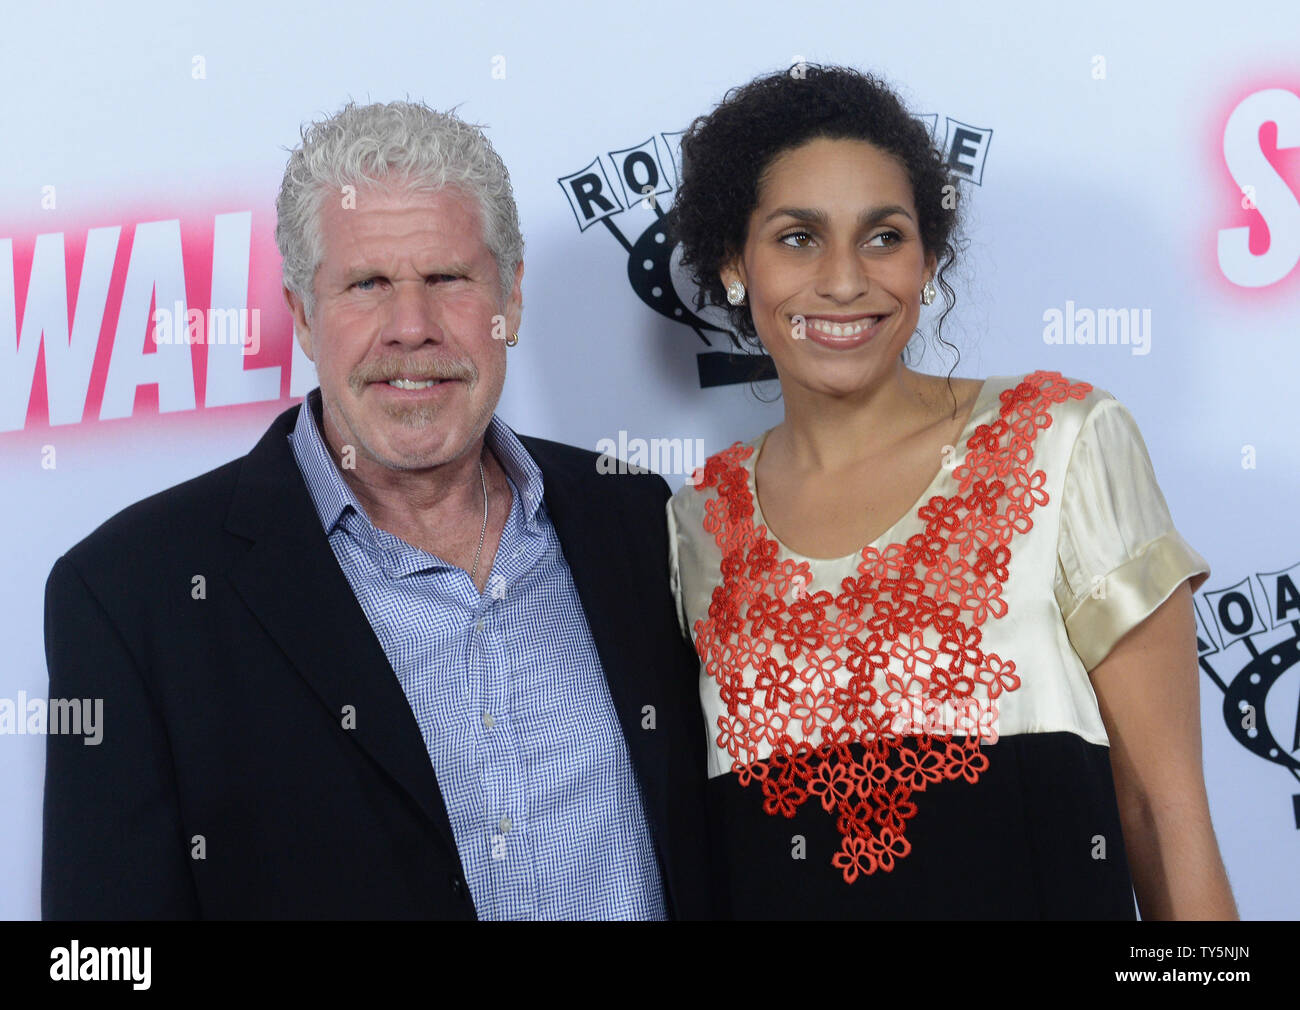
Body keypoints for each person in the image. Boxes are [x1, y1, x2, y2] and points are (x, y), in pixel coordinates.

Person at [42, 99, 712, 920]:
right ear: (301, 316)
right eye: (367, 284)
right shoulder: (132, 595)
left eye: (447, 279)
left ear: (512, 296)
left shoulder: (632, 514)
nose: (411, 328)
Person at [664, 65, 1237, 919]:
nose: (846, 280)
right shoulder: (695, 526)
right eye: (797, 237)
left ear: (928, 258)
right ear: (732, 263)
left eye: (883, 236)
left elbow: (1166, 815)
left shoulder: (1062, 443)